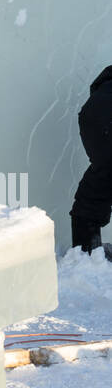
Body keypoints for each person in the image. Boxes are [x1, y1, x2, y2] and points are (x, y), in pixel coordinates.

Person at [70, 68, 112, 260]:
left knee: (103, 174)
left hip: (93, 114)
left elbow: (97, 85)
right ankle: (87, 251)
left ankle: (87, 249)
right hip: (105, 116)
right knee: (104, 175)